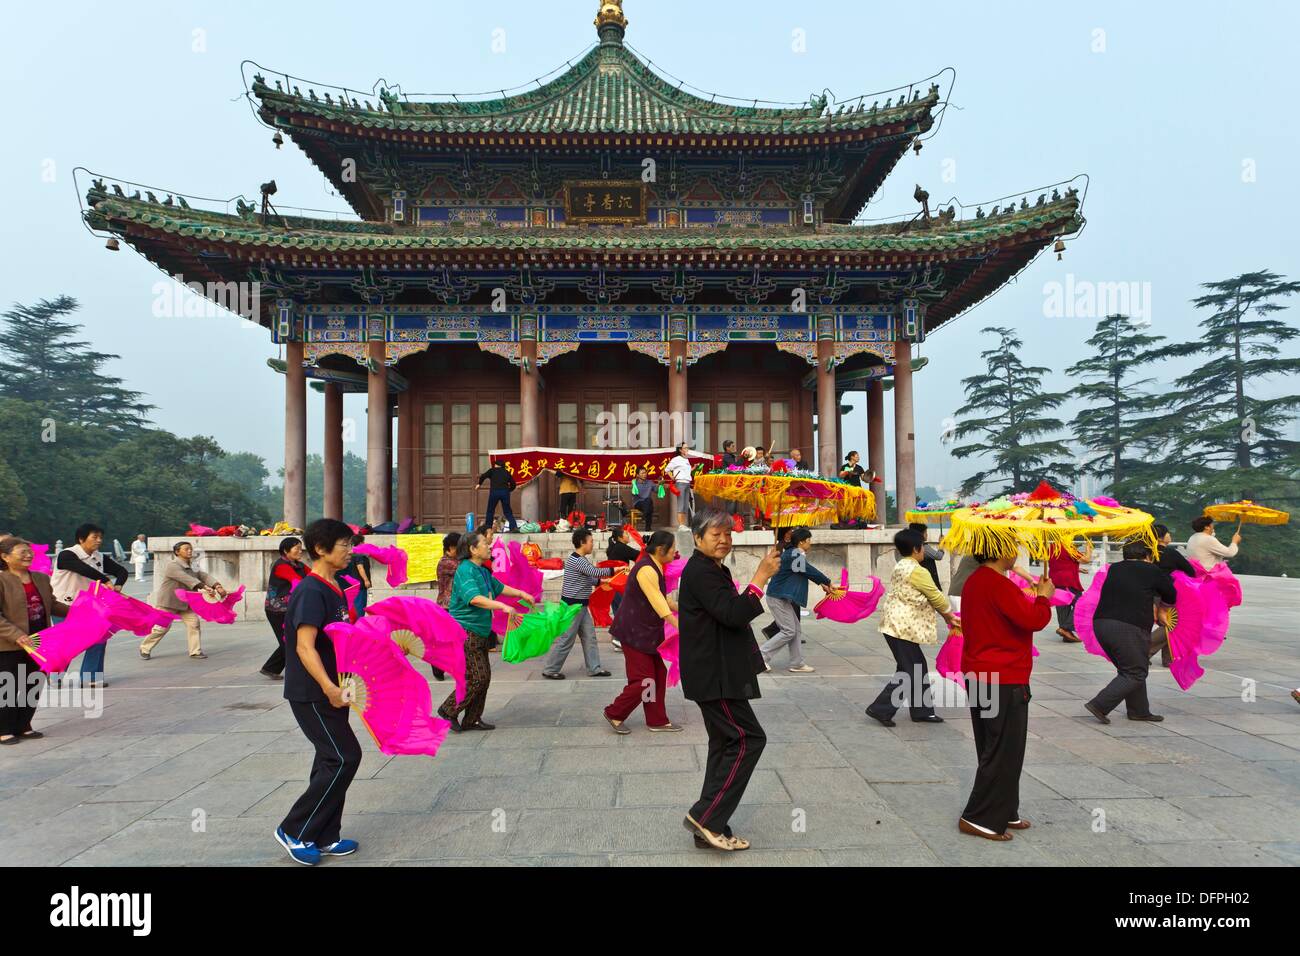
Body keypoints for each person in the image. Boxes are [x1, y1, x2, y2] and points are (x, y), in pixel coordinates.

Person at [678, 508, 781, 852]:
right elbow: (733, 614)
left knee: (724, 744)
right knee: (749, 739)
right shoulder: (701, 572)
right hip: (714, 674)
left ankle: (710, 822)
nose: (724, 540)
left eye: (728, 534)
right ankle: (706, 817)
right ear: (697, 538)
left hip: (716, 670)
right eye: (715, 535)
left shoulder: (711, 568)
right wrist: (760, 577)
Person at [275, 518, 362, 866]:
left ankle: (325, 835)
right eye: (344, 545)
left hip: (335, 687)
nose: (350, 551)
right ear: (321, 550)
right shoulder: (311, 590)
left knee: (329, 759)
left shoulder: (337, 586)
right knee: (344, 757)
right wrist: (328, 687)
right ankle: (294, 830)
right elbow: (304, 647)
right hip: (313, 692)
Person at [956, 547, 1054, 841]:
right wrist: (1044, 596)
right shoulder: (998, 583)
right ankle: (980, 818)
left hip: (981, 672)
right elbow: (1033, 620)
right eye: (1012, 547)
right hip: (1002, 676)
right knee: (1003, 750)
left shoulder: (976, 580)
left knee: (994, 746)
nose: (1015, 553)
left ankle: (1004, 809)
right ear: (1000, 551)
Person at [436, 531, 530, 732]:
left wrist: (521, 593)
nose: (489, 547)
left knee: (483, 677)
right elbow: (474, 598)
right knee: (477, 677)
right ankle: (448, 710)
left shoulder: (482, 571)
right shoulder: (465, 570)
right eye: (485, 544)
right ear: (472, 549)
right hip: (465, 631)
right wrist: (502, 607)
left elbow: (499, 587)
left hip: (479, 631)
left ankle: (472, 719)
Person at [866, 528, 960, 727]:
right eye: (923, 547)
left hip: (896, 624)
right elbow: (935, 595)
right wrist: (949, 615)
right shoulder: (917, 570)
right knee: (911, 669)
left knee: (914, 666)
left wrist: (946, 616)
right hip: (902, 626)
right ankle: (881, 708)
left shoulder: (901, 565)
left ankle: (922, 711)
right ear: (917, 548)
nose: (925, 551)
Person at [1084, 540, 1177, 725]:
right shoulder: (1151, 570)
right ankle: (1100, 704)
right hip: (1128, 626)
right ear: (1148, 556)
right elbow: (1171, 593)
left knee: (1133, 667)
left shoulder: (1115, 568)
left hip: (1101, 623)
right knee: (1134, 672)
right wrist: (1163, 609)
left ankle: (1139, 711)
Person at [604, 530, 681, 733]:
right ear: (661, 549)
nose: (675, 552)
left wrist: (690, 612)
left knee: (657, 674)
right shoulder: (646, 569)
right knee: (643, 680)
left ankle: (656, 719)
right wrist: (679, 625)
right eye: (672, 549)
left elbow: (666, 600)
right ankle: (615, 713)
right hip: (634, 633)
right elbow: (659, 604)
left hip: (647, 633)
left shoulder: (656, 565)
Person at [0, 537, 67, 745]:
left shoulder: (41, 578)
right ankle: (4, 728)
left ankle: (24, 724)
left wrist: (80, 611)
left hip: (40, 642)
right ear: (5, 557)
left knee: (33, 684)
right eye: (22, 552)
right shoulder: (1, 580)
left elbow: (52, 605)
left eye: (29, 551)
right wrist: (17, 635)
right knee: (8, 687)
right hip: (10, 644)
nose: (28, 555)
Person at [51, 523, 129, 687]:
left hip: (89, 606)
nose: (99, 540)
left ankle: (90, 677)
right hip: (63, 605)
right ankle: (55, 676)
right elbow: (83, 569)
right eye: (95, 537)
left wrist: (118, 586)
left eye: (101, 537)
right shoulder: (67, 555)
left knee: (99, 638)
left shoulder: (99, 557)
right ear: (81, 539)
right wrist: (106, 580)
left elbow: (122, 571)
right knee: (68, 642)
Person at [760, 528, 839, 673]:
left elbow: (804, 571)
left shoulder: (794, 554)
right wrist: (827, 581)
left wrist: (822, 584)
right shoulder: (794, 554)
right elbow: (808, 570)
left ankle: (797, 663)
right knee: (789, 630)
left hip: (782, 597)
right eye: (809, 540)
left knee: (795, 630)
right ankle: (760, 657)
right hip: (777, 597)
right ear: (802, 542)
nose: (810, 543)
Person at [541, 529, 615, 680]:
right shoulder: (578, 560)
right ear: (582, 542)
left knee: (590, 637)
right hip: (573, 608)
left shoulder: (578, 559)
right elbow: (594, 572)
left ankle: (594, 668)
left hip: (581, 606)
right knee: (567, 638)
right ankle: (550, 669)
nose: (592, 544)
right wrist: (615, 570)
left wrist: (602, 582)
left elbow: (588, 579)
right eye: (591, 541)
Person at [139, 541, 224, 661]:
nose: (189, 551)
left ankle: (195, 651)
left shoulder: (193, 565)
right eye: (186, 549)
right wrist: (204, 587)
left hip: (186, 602)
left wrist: (217, 585)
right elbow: (186, 578)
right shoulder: (173, 565)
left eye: (190, 549)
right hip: (169, 602)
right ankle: (145, 648)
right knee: (161, 628)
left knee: (194, 624)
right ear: (177, 552)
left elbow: (203, 575)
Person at [259, 537, 307, 679]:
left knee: (289, 641)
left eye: (300, 548)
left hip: (289, 608)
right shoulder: (281, 566)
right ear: (286, 551)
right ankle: (285, 670)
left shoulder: (299, 565)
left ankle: (270, 668)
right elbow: (298, 582)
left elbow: (314, 575)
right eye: (296, 548)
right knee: (289, 641)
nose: (300, 551)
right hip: (277, 610)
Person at [1150, 523, 1195, 667]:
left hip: (1147, 592)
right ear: (1162, 537)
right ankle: (1144, 651)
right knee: (1172, 624)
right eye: (1168, 533)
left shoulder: (1147, 551)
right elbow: (1191, 571)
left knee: (1170, 623)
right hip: (1165, 595)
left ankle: (1169, 658)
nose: (1170, 535)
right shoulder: (1170, 553)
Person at [1047, 537, 1093, 643]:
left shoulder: (1052, 547)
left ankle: (1066, 634)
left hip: (1055, 579)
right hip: (1068, 580)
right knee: (1082, 604)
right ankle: (1065, 628)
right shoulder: (1068, 547)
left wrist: (1076, 568)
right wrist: (1089, 548)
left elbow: (1061, 563)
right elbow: (1086, 560)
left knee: (1063, 605)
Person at [606, 525, 641, 619]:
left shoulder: (614, 547)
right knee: (625, 610)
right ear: (620, 537)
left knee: (618, 610)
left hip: (612, 584)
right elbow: (639, 556)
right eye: (626, 533)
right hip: (619, 584)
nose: (628, 535)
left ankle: (618, 631)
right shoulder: (621, 547)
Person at [476, 460, 519, 534]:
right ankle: (513, 527)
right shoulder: (506, 472)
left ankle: (488, 528)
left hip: (494, 492)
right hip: (504, 492)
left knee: (490, 511)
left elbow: (483, 476)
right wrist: (508, 490)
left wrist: (479, 484)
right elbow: (513, 484)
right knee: (508, 511)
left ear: (496, 465)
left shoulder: (492, 470)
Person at [665, 443, 696, 530]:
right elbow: (667, 469)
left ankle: (683, 525)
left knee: (685, 505)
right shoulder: (676, 459)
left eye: (687, 448)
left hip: (687, 483)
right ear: (680, 450)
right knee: (681, 504)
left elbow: (686, 471)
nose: (687, 449)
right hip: (680, 483)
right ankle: (681, 525)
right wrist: (672, 476)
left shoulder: (686, 459)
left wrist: (693, 468)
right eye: (685, 448)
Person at [908, 522, 945, 590]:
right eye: (925, 532)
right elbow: (938, 556)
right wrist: (941, 545)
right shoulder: (924, 547)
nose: (927, 534)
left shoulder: (910, 545)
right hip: (928, 582)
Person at [347, 535, 372, 617]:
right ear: (360, 543)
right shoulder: (359, 555)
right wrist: (366, 580)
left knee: (355, 607)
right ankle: (358, 625)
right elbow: (360, 567)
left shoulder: (353, 554)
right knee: (360, 607)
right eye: (363, 542)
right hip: (360, 585)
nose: (364, 543)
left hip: (353, 584)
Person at [631, 466, 658, 530]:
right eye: (642, 473)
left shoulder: (650, 482)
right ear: (637, 475)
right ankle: (647, 527)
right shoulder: (635, 483)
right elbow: (634, 494)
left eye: (645, 473)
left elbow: (656, 490)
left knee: (649, 502)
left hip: (647, 503)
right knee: (649, 504)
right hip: (638, 503)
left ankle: (644, 516)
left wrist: (660, 485)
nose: (644, 474)